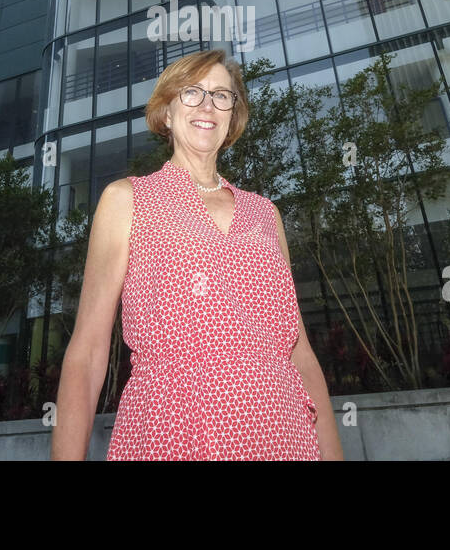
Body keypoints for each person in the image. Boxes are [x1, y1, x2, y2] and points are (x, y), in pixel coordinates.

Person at [51, 48, 344, 460]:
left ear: (232, 116)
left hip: (283, 435)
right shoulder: (128, 200)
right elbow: (87, 351)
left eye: (222, 95)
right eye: (192, 92)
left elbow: (300, 353)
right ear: (166, 112)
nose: (208, 104)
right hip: (172, 432)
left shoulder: (265, 213)